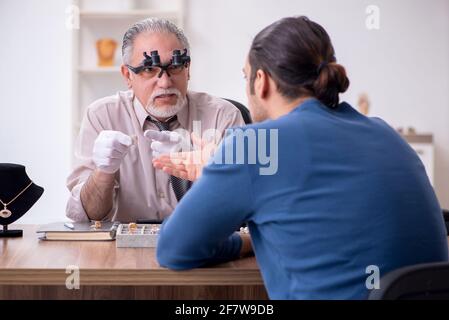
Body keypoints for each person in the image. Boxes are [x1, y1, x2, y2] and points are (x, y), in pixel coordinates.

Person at [154, 16, 449, 299]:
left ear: (261, 81)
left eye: (246, 78)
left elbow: (174, 249)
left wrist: (239, 230)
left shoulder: (256, 145)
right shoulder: (387, 134)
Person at [66, 18, 245, 222]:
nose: (165, 82)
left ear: (188, 69)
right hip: (121, 250)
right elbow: (86, 217)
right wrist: (102, 173)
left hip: (201, 246)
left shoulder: (223, 117)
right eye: (149, 69)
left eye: (176, 66)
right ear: (127, 76)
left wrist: (200, 174)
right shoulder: (102, 116)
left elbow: (242, 208)